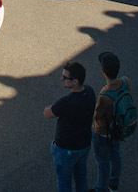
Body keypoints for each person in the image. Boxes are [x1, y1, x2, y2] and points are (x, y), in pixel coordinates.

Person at [45, 61, 98, 192]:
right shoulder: (89, 91)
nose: (62, 79)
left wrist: (49, 107)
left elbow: (47, 114)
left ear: (75, 81)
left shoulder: (66, 102)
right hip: (84, 145)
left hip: (66, 149)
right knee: (81, 176)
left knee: (64, 181)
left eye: (65, 77)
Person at [92, 52, 126, 192]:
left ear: (103, 71)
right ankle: (113, 183)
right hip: (117, 128)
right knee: (115, 155)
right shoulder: (125, 82)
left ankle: (100, 188)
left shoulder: (104, 95)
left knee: (103, 161)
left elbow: (97, 116)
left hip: (103, 132)